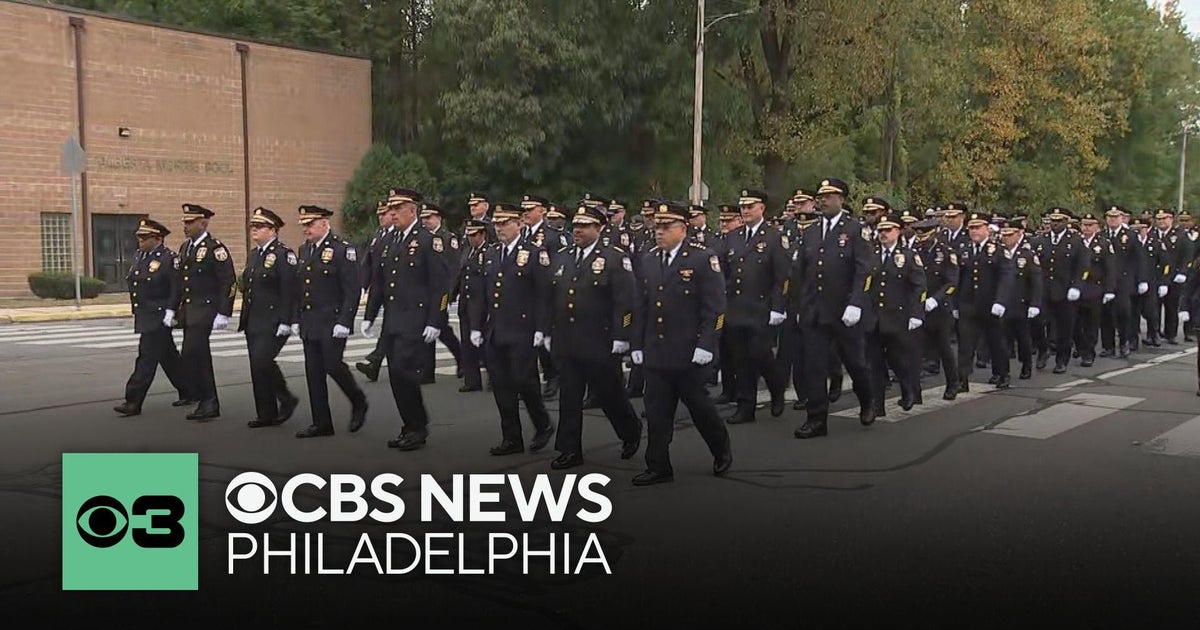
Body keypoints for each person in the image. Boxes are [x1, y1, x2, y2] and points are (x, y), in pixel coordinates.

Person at [630, 201, 731, 485]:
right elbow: (640, 305)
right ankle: (658, 465)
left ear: (683, 229)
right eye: (657, 227)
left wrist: (707, 344)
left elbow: (716, 309)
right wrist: (635, 343)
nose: (659, 232)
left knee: (700, 408)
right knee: (657, 411)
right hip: (657, 350)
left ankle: (720, 447)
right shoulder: (649, 259)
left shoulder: (702, 258)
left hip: (689, 350)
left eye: (666, 227)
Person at [546, 204, 642, 469]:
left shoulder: (614, 257)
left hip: (600, 340)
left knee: (610, 393)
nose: (578, 230)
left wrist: (622, 335)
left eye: (585, 226)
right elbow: (552, 297)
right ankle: (569, 449)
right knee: (569, 396)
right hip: (568, 339)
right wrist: (546, 330)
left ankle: (630, 431)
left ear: (598, 229)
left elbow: (626, 301)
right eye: (576, 225)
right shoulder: (564, 256)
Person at [791, 178, 877, 439]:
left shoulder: (854, 230)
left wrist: (856, 303)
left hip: (844, 311)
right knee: (814, 365)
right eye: (821, 196)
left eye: (830, 196)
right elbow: (802, 272)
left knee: (855, 362)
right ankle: (817, 419)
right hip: (815, 310)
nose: (824, 200)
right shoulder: (811, 231)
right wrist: (800, 305)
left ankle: (867, 400)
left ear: (842, 199)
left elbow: (865, 269)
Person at [361, 188, 446, 450]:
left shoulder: (427, 241)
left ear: (413, 210)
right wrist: (369, 315)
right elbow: (381, 283)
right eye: (391, 210)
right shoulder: (390, 241)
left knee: (404, 373)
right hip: (394, 321)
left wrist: (435, 320)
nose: (393, 214)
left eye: (398, 209)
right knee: (397, 377)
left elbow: (439, 285)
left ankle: (417, 427)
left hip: (416, 320)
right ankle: (410, 425)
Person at [469, 202, 556, 455]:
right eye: (496, 224)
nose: (500, 228)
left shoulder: (532, 253)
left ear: (518, 224)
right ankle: (512, 438)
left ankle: (542, 425)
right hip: (496, 330)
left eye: (505, 223)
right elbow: (481, 294)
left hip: (522, 330)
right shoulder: (492, 253)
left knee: (525, 383)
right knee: (501, 386)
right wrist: (476, 326)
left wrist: (542, 328)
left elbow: (544, 294)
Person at [293, 205, 368, 438]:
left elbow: (352, 289)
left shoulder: (341, 250)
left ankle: (358, 400)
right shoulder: (304, 250)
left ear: (324, 224)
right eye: (304, 225)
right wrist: (296, 317)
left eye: (310, 224)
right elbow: (300, 288)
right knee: (313, 372)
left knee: (333, 365)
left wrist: (345, 321)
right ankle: (322, 422)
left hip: (332, 320)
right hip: (310, 321)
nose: (306, 229)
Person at [113, 218, 193, 417]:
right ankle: (190, 390)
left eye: (144, 237)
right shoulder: (140, 255)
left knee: (146, 358)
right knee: (168, 356)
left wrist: (170, 311)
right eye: (139, 236)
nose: (140, 240)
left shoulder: (169, 259)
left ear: (158, 238)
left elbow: (176, 288)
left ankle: (133, 401)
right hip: (145, 313)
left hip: (159, 315)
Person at [724, 188, 789, 424]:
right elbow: (725, 272)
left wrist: (778, 307)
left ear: (762, 207)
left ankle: (777, 388)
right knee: (740, 360)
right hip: (736, 308)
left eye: (750, 206)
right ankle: (746, 406)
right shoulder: (733, 236)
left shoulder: (773, 237)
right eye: (743, 206)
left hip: (762, 308)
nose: (745, 210)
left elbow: (783, 276)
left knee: (760, 355)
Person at [238, 207, 300, 427]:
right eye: (252, 226)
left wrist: (287, 320)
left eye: (259, 226)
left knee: (262, 360)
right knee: (257, 367)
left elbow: (290, 290)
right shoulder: (254, 254)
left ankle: (286, 398)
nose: (254, 230)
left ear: (272, 229)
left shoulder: (284, 254)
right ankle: (266, 413)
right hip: (253, 319)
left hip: (273, 320)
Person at [175, 203, 236, 421]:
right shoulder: (185, 248)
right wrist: (172, 309)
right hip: (190, 311)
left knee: (194, 353)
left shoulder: (215, 248)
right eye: (184, 222)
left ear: (204, 222)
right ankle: (204, 399)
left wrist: (224, 312)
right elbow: (181, 282)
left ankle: (209, 401)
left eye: (190, 222)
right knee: (193, 355)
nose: (186, 226)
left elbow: (229, 281)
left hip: (206, 309)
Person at [865, 212, 926, 415]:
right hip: (874, 318)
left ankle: (908, 390)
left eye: (887, 230)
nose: (883, 234)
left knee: (898, 359)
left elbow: (919, 286)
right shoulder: (871, 254)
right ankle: (877, 405)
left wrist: (916, 314)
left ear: (898, 231)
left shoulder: (908, 256)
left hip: (898, 317)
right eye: (880, 230)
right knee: (874, 363)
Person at [955, 211, 1014, 390]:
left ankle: (1002, 374)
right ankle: (962, 379)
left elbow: (1006, 277)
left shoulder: (997, 250)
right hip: (968, 305)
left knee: (996, 342)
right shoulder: (964, 250)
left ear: (987, 229)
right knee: (965, 344)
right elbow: (958, 278)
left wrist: (1001, 301)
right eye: (971, 228)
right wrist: (955, 303)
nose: (973, 231)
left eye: (977, 227)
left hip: (990, 304)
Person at [913, 217, 960, 399]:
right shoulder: (914, 252)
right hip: (919, 308)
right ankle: (914, 391)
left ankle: (952, 384)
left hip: (940, 308)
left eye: (924, 236)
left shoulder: (946, 253)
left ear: (934, 234)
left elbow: (951, 282)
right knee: (916, 349)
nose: (922, 240)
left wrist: (935, 299)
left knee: (944, 347)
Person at [418, 201, 464, 383]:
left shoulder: (447, 238)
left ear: (439, 218)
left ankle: (462, 360)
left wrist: (449, 294)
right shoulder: (421, 238)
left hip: (441, 293)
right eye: (423, 218)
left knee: (442, 329)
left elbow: (453, 269)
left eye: (429, 217)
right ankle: (428, 371)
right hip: (424, 293)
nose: (425, 221)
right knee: (430, 330)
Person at [355, 200, 398, 382]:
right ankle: (375, 363)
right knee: (389, 330)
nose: (381, 218)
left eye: (384, 214)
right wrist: (362, 287)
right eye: (379, 214)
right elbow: (368, 264)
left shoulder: (398, 235)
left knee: (392, 330)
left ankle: (376, 361)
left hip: (398, 291)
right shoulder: (379, 235)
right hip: (382, 289)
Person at [999, 217, 1043, 380]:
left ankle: (1026, 365)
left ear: (1018, 235)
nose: (1006, 238)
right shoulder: (998, 252)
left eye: (1009, 234)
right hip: (1002, 303)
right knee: (1002, 340)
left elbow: (1036, 281)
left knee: (1023, 339)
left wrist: (1035, 303)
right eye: (1003, 234)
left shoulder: (1027, 254)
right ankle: (1003, 372)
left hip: (1021, 303)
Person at [452, 219, 489, 392]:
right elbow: (460, 275)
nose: (471, 238)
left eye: (474, 235)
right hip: (466, 303)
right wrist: (451, 295)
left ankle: (494, 378)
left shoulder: (489, 252)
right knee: (467, 343)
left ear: (482, 234)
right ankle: (472, 380)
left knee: (486, 344)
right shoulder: (466, 251)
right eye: (468, 235)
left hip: (482, 304)